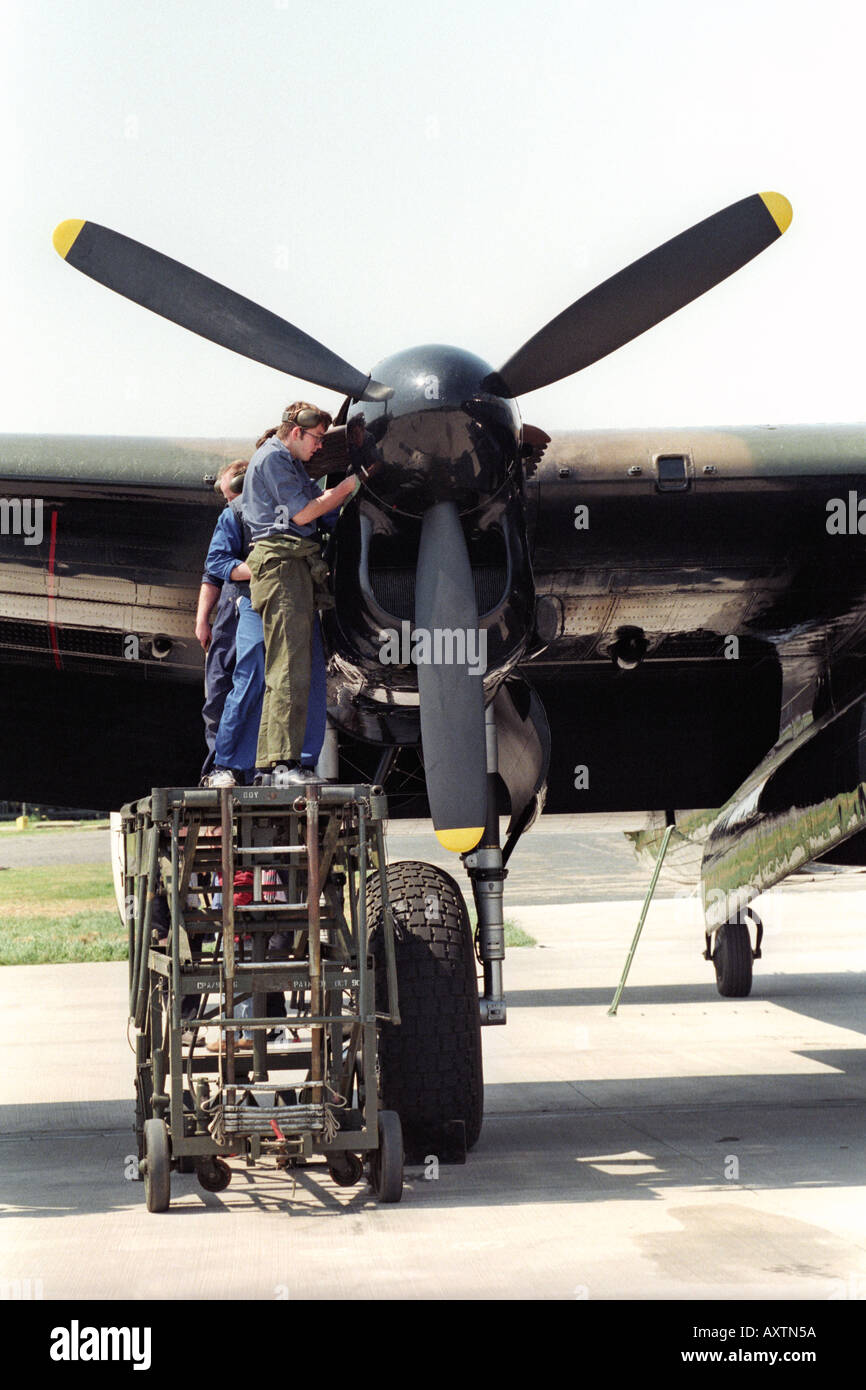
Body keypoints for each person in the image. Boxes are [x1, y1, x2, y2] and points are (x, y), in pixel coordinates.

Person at [243, 403, 359, 784]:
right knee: (288, 669)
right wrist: (349, 484)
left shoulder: (289, 463)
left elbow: (324, 509)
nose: (321, 447)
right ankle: (282, 766)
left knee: (291, 668)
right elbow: (306, 513)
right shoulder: (273, 460)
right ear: (296, 432)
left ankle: (269, 766)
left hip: (294, 567)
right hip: (282, 567)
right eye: (317, 439)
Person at [195, 460, 249, 779]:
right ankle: (218, 768)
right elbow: (213, 571)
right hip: (230, 610)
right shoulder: (231, 517)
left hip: (256, 606)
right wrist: (203, 619)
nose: (229, 505)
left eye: (232, 497)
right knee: (218, 692)